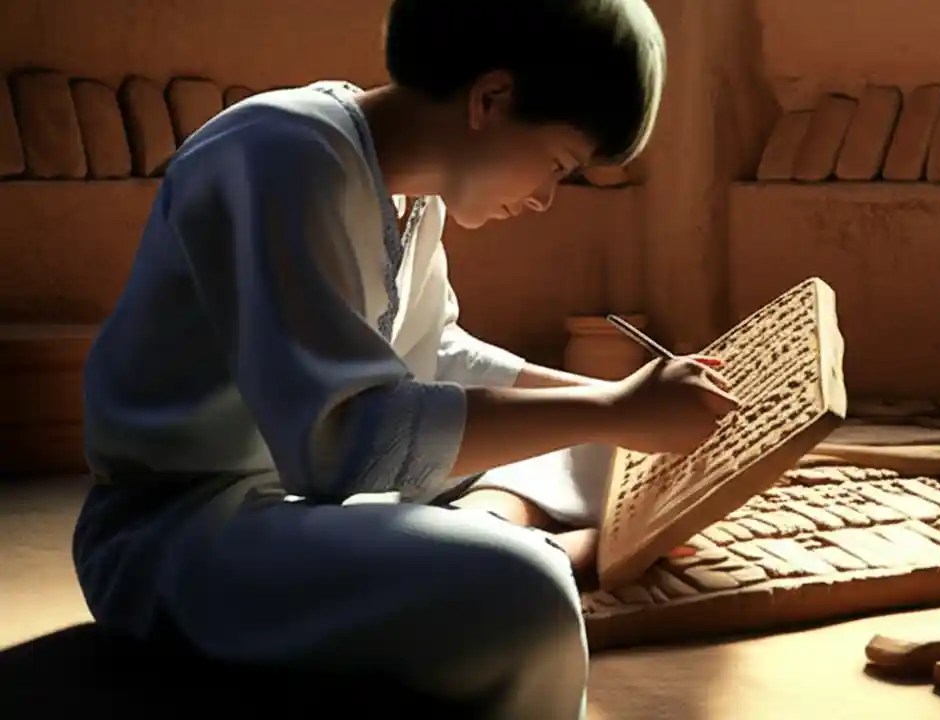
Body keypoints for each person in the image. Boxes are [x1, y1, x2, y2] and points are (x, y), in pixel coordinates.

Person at [70, 1, 739, 717]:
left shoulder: (410, 194)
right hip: (186, 536)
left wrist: (623, 404)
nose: (546, 197)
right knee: (524, 592)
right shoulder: (281, 153)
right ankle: (544, 548)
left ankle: (496, 524)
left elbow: (435, 356)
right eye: (556, 164)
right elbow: (342, 444)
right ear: (491, 98)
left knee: (598, 452)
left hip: (306, 508)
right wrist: (612, 410)